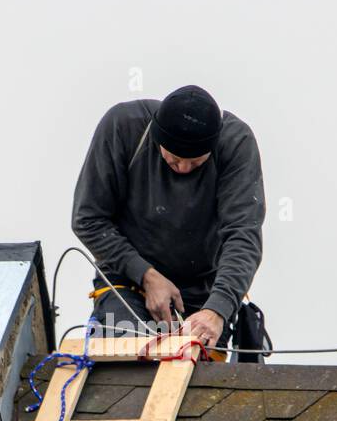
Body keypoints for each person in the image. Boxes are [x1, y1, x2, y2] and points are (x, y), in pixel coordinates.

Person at [71, 84, 265, 350]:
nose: (184, 168)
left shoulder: (235, 144)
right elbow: (88, 219)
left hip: (203, 294)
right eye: (174, 161)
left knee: (198, 378)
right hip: (127, 281)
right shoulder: (124, 127)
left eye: (196, 163)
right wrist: (147, 276)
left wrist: (217, 309)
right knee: (125, 364)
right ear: (156, 138)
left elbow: (243, 235)